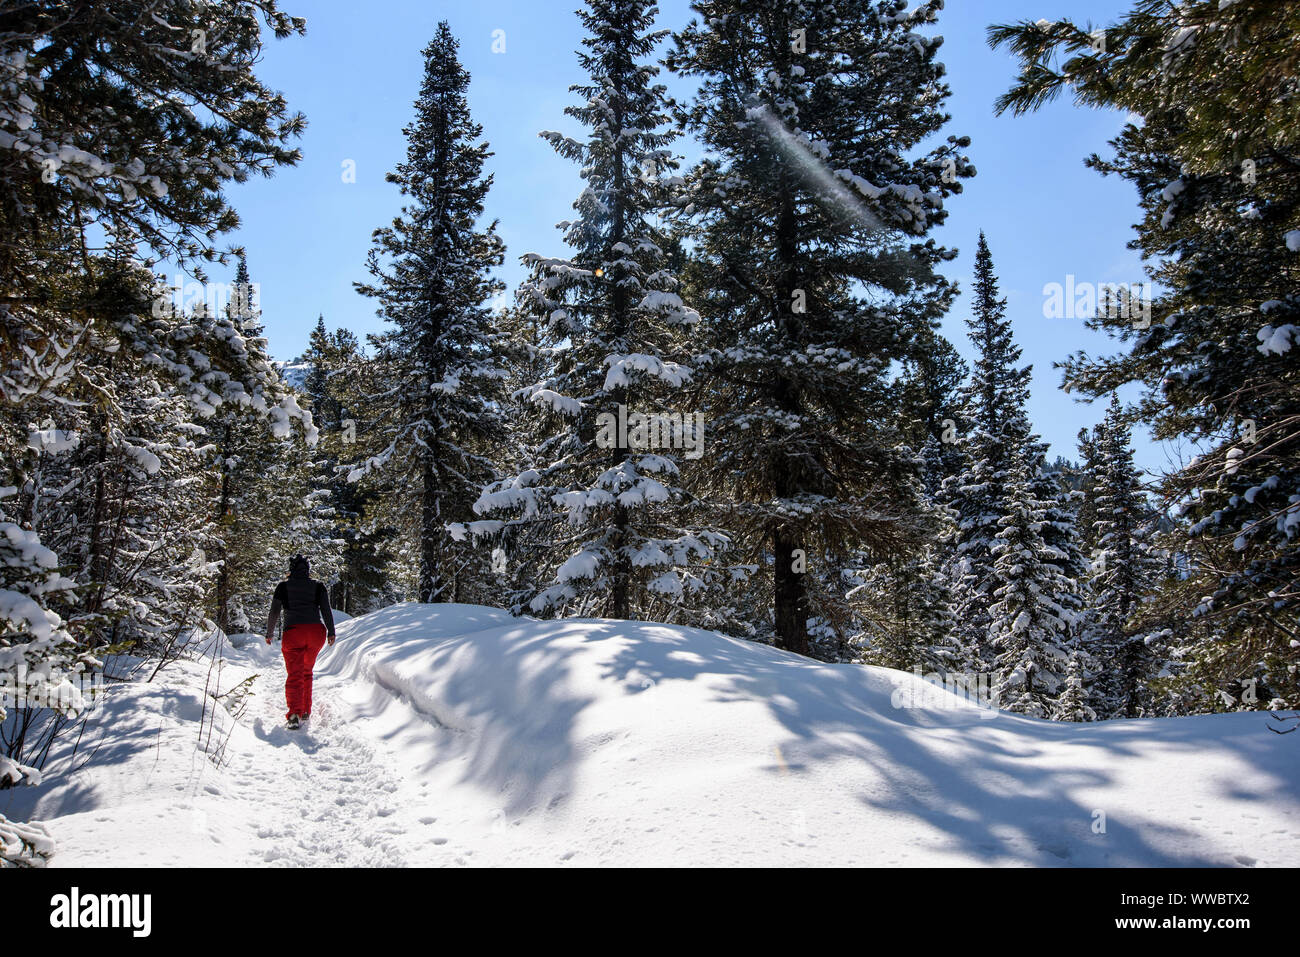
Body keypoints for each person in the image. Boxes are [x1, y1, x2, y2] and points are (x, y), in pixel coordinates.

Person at [266, 555, 336, 729]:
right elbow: (326, 609)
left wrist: (269, 633)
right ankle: (305, 710)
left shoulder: (283, 587)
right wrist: (331, 632)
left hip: (294, 632)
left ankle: (295, 713)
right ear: (307, 570)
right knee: (307, 671)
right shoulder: (318, 586)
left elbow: (274, 611)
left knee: (295, 673)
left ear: (291, 569)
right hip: (315, 633)